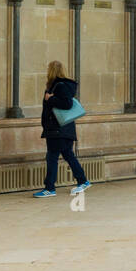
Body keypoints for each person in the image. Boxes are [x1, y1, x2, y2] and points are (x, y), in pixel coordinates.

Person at [33, 61, 91, 198]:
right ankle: (83, 181)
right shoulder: (57, 86)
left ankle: (50, 188)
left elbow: (67, 103)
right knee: (67, 155)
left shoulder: (60, 86)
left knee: (52, 157)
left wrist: (51, 99)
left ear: (51, 70)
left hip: (58, 129)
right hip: (62, 129)